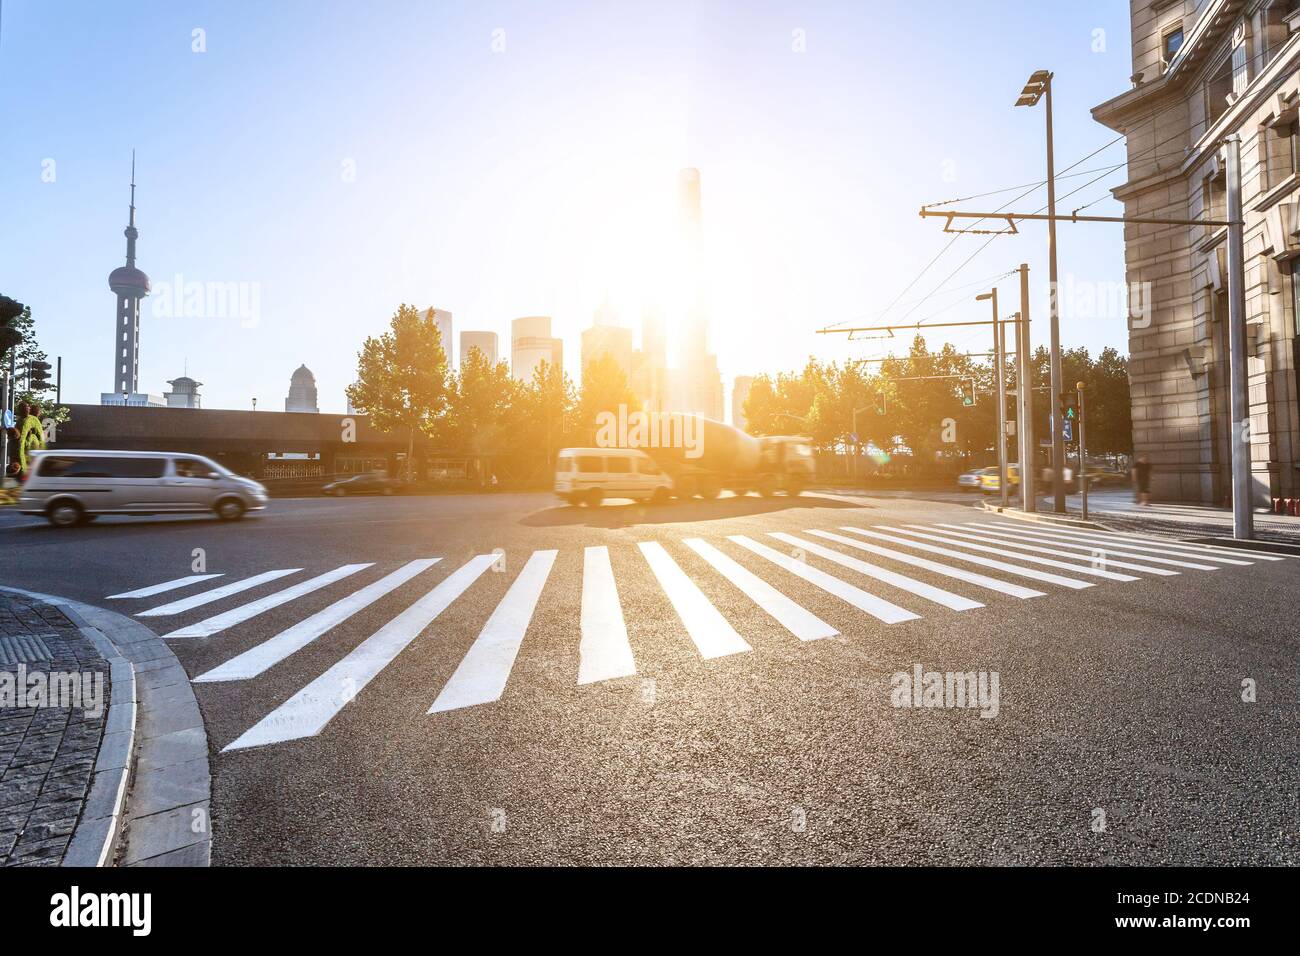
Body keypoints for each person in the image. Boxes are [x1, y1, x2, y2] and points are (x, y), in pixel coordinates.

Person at [17, 401, 46, 481]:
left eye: (28, 408)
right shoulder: (24, 420)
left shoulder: (31, 420)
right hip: (28, 451)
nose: (27, 409)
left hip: (30, 451)